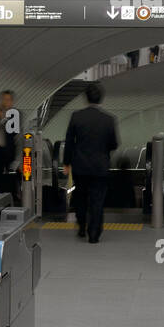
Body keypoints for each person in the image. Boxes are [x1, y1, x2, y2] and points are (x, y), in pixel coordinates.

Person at [62, 81, 118, 243]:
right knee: (97, 200)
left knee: (80, 197)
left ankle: (81, 226)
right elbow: (114, 143)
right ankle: (94, 234)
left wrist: (66, 163)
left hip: (80, 166)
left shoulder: (76, 116)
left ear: (86, 98)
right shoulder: (108, 119)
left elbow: (69, 141)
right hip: (100, 166)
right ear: (101, 99)